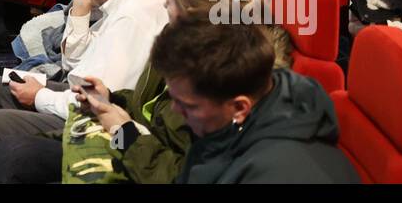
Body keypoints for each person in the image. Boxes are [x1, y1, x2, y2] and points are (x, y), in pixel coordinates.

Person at [63, 0, 293, 185]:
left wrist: (123, 131)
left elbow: (179, 174)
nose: (163, 7)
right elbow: (150, 109)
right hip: (138, 151)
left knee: (31, 155)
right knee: (33, 151)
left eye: (169, 2)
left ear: (188, 12)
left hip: (139, 157)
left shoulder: (220, 85)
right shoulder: (180, 47)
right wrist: (112, 98)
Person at [0, 0, 168, 183]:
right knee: (2, 89)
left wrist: (40, 96)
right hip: (89, 96)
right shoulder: (128, 1)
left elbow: (98, 102)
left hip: (107, 123)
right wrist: (80, 10)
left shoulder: (131, 20)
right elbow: (74, 63)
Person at [149, 13, 359, 183]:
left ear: (240, 107)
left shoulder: (281, 172)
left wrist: (127, 137)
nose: (175, 110)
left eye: (188, 105)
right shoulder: (245, 118)